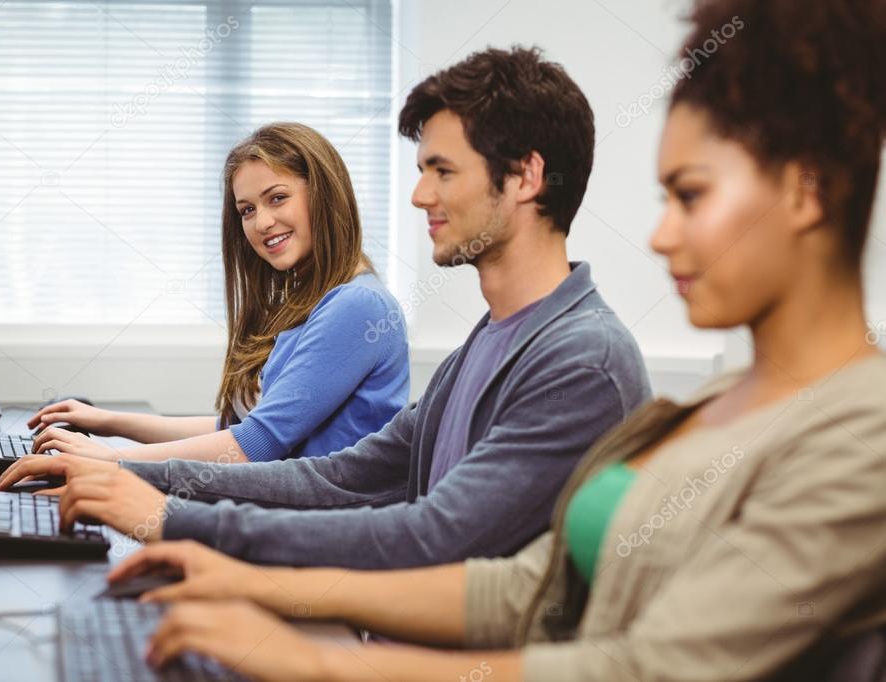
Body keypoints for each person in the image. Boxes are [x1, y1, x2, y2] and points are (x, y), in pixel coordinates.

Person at [101, 0, 886, 679]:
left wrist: (315, 655)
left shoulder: (855, 433)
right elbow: (521, 589)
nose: (658, 234)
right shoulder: (713, 400)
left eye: (690, 196)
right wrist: (230, 566)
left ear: (802, 189)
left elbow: (641, 666)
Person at [0, 46, 651, 568]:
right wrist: (145, 485)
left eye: (441, 170)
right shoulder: (484, 347)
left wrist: (159, 508)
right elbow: (338, 479)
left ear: (526, 178)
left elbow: (432, 539)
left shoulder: (581, 363)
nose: (419, 195)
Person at [28, 122, 410, 464]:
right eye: (246, 210)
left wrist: (111, 460)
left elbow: (256, 443)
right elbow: (234, 430)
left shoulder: (358, 306)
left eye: (277, 198)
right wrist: (108, 423)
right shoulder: (311, 302)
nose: (261, 222)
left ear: (324, 195)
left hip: (321, 528)